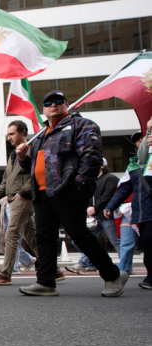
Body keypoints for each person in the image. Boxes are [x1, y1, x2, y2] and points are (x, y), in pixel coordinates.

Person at [16, 90, 127, 297]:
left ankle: (113, 275)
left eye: (59, 101)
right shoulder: (42, 133)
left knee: (79, 234)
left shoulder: (83, 125)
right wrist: (23, 158)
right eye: (48, 102)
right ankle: (46, 281)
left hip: (67, 191)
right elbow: (38, 165)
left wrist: (79, 186)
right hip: (42, 193)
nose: (53, 105)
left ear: (66, 104)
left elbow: (92, 157)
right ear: (43, 109)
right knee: (45, 238)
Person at [0, 121, 39, 285]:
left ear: (23, 132)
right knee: (34, 238)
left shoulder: (32, 149)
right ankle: (54, 269)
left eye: (12, 134)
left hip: (22, 200)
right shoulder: (13, 154)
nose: (9, 137)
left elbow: (36, 174)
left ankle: (5, 273)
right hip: (13, 200)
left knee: (11, 235)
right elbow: (6, 180)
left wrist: (23, 193)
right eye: (8, 134)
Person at [104, 120, 152, 289]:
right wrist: (110, 206)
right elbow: (124, 189)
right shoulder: (134, 166)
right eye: (139, 140)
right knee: (147, 243)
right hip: (142, 212)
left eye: (144, 137)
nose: (142, 141)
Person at [67, 157, 121, 274]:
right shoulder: (90, 180)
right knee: (79, 241)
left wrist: (95, 208)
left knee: (115, 241)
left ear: (103, 166)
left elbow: (108, 195)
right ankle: (90, 263)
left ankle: (125, 264)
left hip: (106, 215)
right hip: (93, 217)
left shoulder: (111, 178)